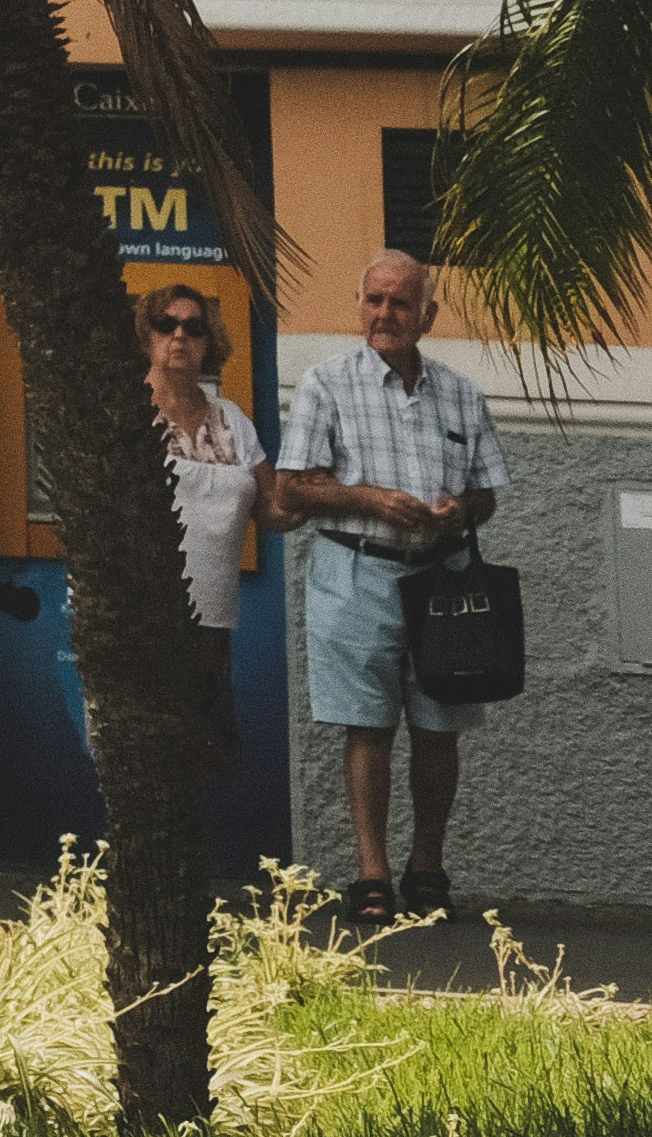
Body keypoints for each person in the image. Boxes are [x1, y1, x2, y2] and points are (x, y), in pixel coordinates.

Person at [271, 249, 508, 921]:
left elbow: (487, 493)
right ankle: (372, 872)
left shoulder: (460, 393)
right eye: (373, 299)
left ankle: (426, 866)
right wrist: (371, 499)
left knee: (439, 727)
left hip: (444, 579)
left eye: (400, 302)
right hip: (357, 571)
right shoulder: (325, 383)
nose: (384, 313)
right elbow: (293, 488)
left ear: (427, 315)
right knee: (367, 726)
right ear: (359, 305)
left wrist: (460, 511)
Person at [142, 286, 263, 776]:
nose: (180, 335)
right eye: (166, 324)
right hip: (140, 621)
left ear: (208, 341)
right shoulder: (129, 414)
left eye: (194, 327)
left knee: (202, 761)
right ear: (146, 335)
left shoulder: (232, 420)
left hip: (211, 623)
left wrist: (342, 494)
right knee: (146, 761)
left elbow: (275, 507)